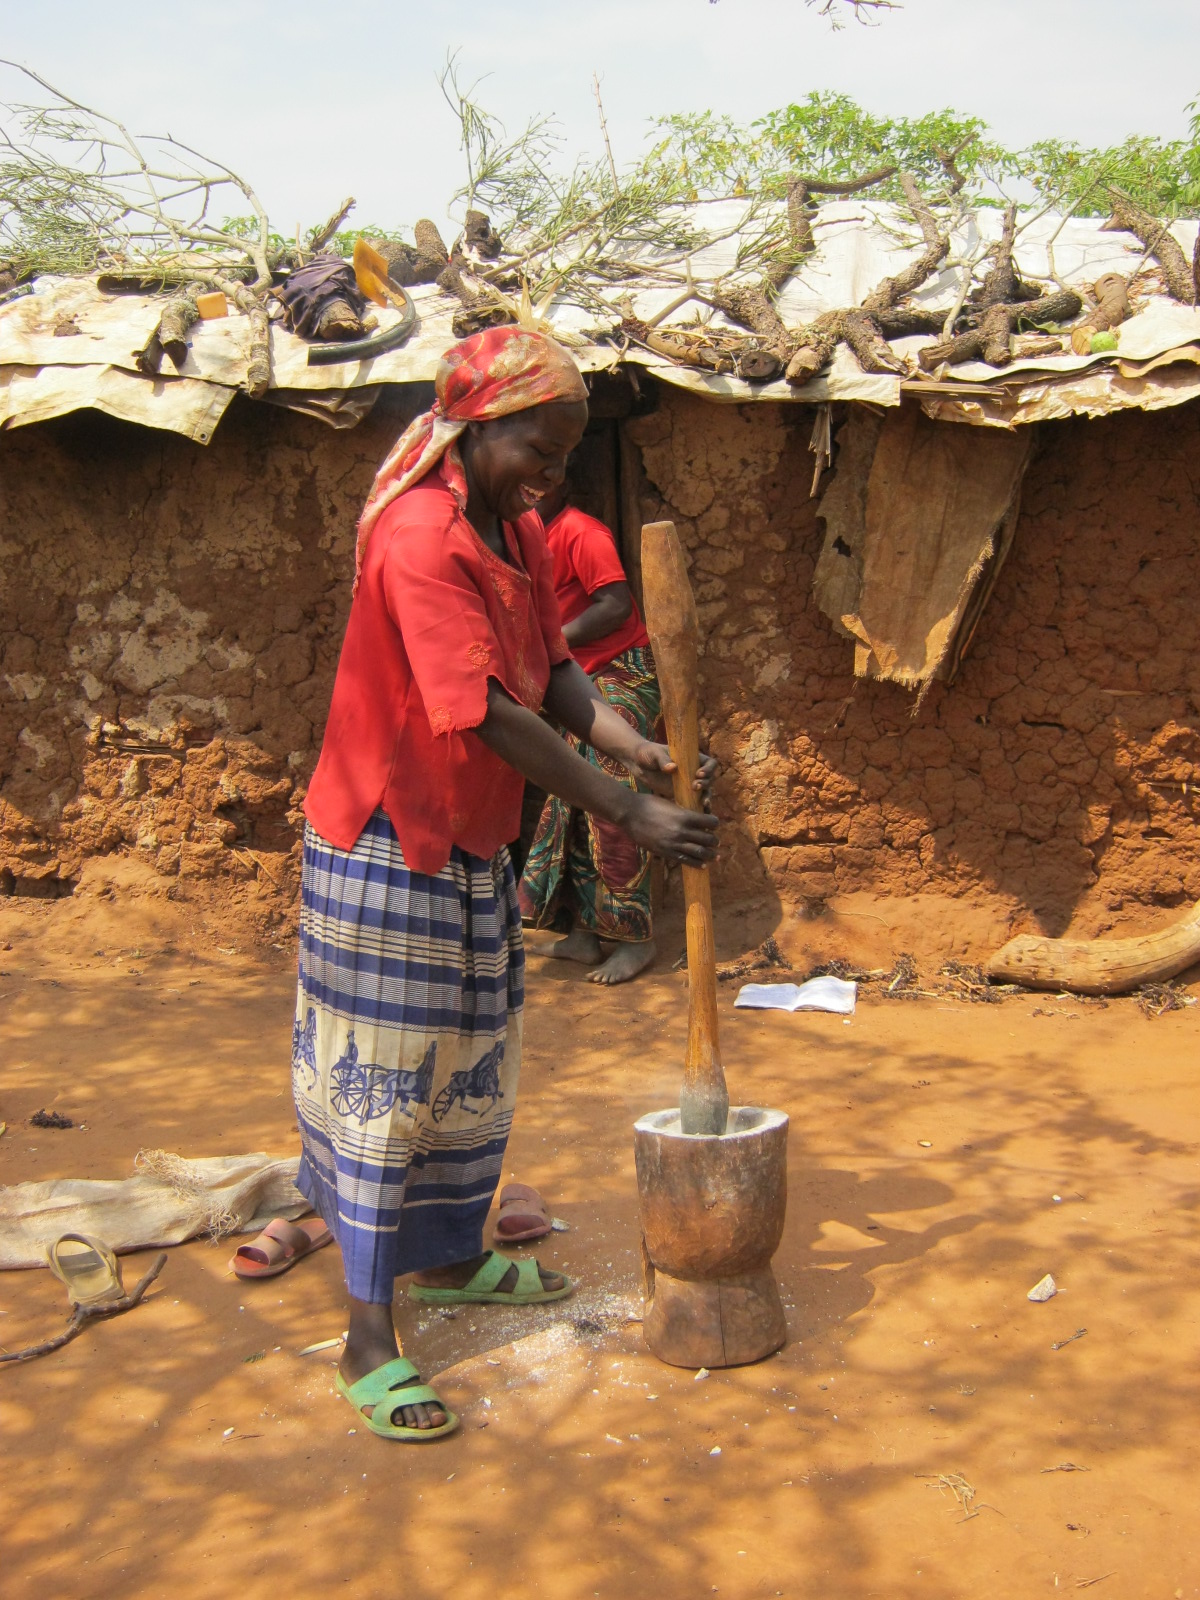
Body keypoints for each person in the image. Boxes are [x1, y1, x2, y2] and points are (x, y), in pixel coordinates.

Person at [292, 326, 718, 1442]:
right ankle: (367, 1338)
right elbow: (478, 705)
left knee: (470, 1060)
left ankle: (451, 1257)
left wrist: (633, 747)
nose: (555, 470)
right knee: (388, 1084)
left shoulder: (515, 525)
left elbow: (558, 669)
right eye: (540, 442)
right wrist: (624, 809)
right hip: (391, 837)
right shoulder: (420, 540)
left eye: (570, 451)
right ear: (480, 426)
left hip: (472, 838)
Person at [518, 483, 663, 984]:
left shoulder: (582, 531)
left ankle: (634, 936)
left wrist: (549, 643)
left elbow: (616, 606)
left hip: (622, 674)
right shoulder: (528, 535)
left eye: (543, 481)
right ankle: (583, 933)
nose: (532, 492)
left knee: (613, 793)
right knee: (572, 799)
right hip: (581, 683)